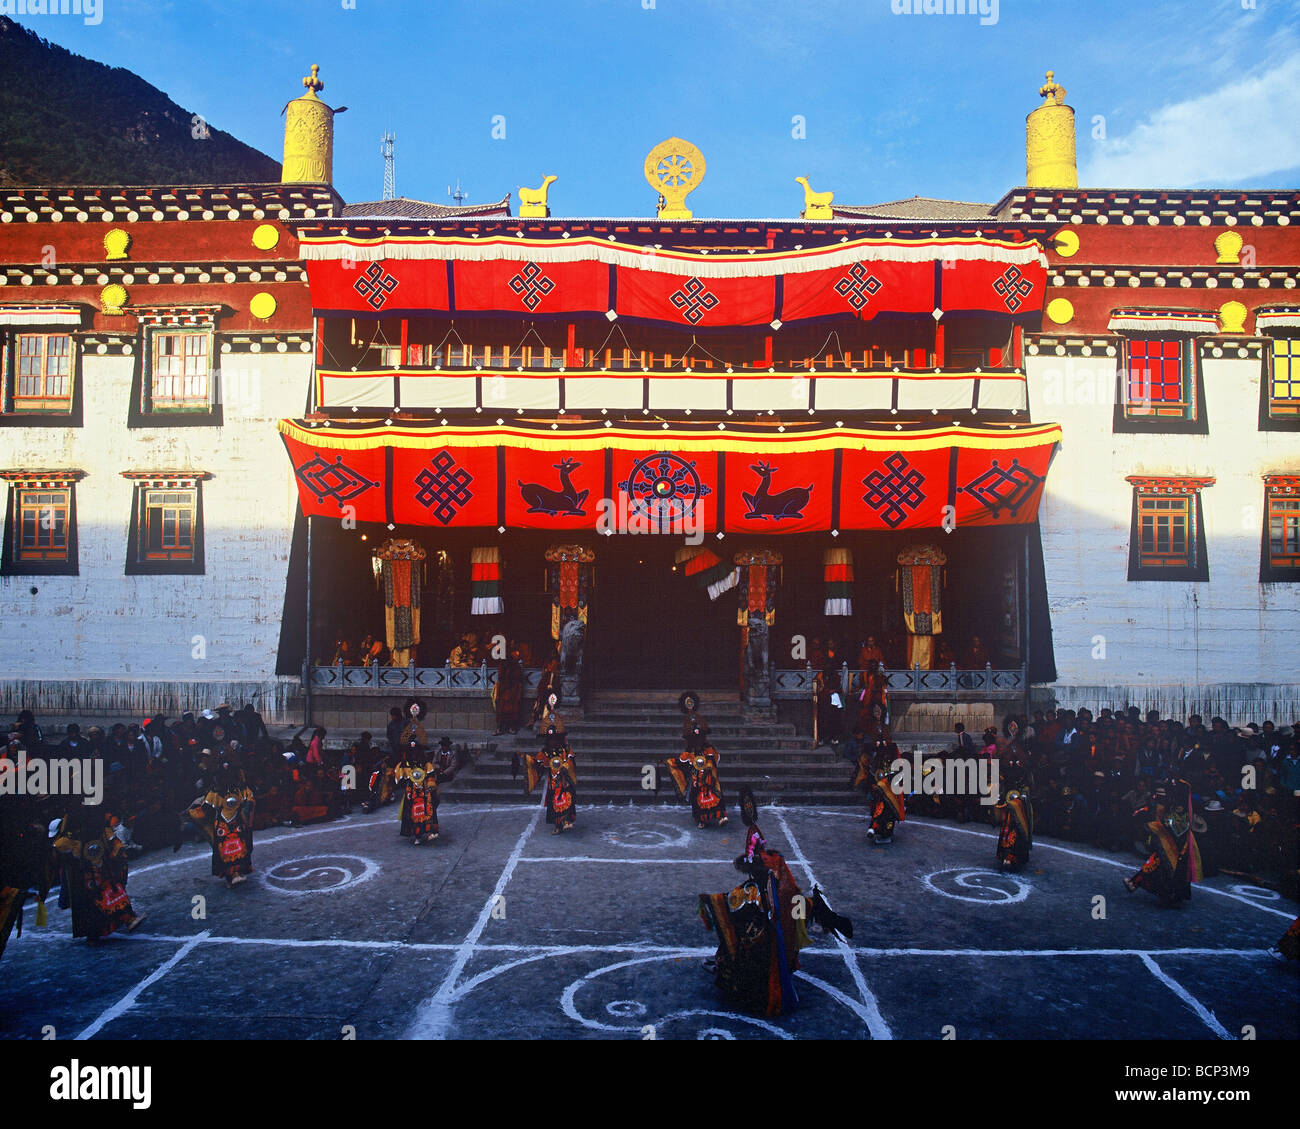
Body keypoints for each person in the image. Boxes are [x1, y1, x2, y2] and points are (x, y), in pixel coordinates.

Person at [697, 788, 850, 1017]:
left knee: (739, 945)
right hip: (771, 950)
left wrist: (710, 902)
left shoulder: (751, 892)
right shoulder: (782, 891)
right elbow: (803, 908)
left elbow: (727, 908)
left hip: (758, 958)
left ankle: (745, 986)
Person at [52, 805, 146, 943]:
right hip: (86, 870)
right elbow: (61, 847)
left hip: (100, 864)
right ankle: (95, 932)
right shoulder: (71, 829)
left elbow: (108, 838)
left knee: (113, 892)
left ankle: (127, 920)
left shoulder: (95, 823)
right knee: (94, 899)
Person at [1124, 785, 1201, 907]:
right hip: (1168, 843)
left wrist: (1154, 826)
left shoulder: (1180, 809)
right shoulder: (1172, 806)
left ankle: (1138, 884)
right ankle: (1135, 883)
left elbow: (1173, 826)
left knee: (1158, 865)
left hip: (1177, 846)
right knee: (1156, 865)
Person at [187, 762, 256, 887]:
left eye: (229, 775)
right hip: (222, 827)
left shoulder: (241, 790)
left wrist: (246, 808)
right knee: (224, 851)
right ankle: (230, 876)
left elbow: (249, 800)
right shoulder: (215, 793)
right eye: (224, 776)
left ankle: (239, 871)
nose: (227, 779)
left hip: (237, 824)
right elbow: (207, 809)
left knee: (242, 849)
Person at [523, 704, 577, 834]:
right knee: (554, 804)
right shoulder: (546, 752)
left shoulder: (566, 750)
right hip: (552, 783)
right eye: (550, 739)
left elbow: (571, 760)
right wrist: (525, 759)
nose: (553, 741)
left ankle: (566, 821)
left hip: (564, 781)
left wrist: (565, 767)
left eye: (555, 739)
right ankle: (557, 826)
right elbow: (538, 762)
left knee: (567, 801)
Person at [393, 738, 444, 845]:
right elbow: (399, 777)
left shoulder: (425, 764)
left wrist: (430, 784)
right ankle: (417, 835)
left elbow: (431, 775)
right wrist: (405, 781)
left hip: (425, 791)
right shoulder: (404, 764)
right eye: (411, 751)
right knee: (412, 814)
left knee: (428, 812)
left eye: (415, 751)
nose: (413, 753)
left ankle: (430, 831)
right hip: (411, 793)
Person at [853, 754, 904, 845]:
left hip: (889, 799)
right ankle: (876, 830)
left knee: (887, 817)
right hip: (880, 799)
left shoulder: (893, 774)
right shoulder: (878, 769)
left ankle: (885, 834)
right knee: (878, 814)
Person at [994, 787, 1033, 871]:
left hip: (1017, 810)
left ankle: (1014, 859)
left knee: (1015, 838)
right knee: (1007, 836)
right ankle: (1006, 858)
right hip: (1008, 817)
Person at [494, 645, 524, 735]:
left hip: (512, 691)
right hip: (504, 690)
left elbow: (518, 679)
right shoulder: (503, 665)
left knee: (512, 711)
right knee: (501, 710)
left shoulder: (515, 666)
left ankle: (511, 728)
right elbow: (500, 677)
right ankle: (500, 728)